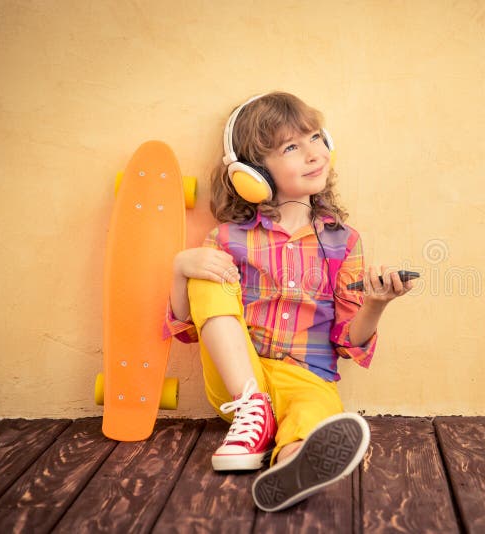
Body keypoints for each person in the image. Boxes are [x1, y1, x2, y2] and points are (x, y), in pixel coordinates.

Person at [164, 92, 413, 512]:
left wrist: (376, 304)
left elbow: (348, 343)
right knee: (209, 270)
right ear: (254, 173)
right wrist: (180, 268)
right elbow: (189, 329)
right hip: (238, 379)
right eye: (291, 148)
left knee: (315, 414)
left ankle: (292, 465)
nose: (313, 154)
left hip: (307, 378)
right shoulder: (227, 239)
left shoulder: (343, 241)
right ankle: (253, 411)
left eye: (315, 138)